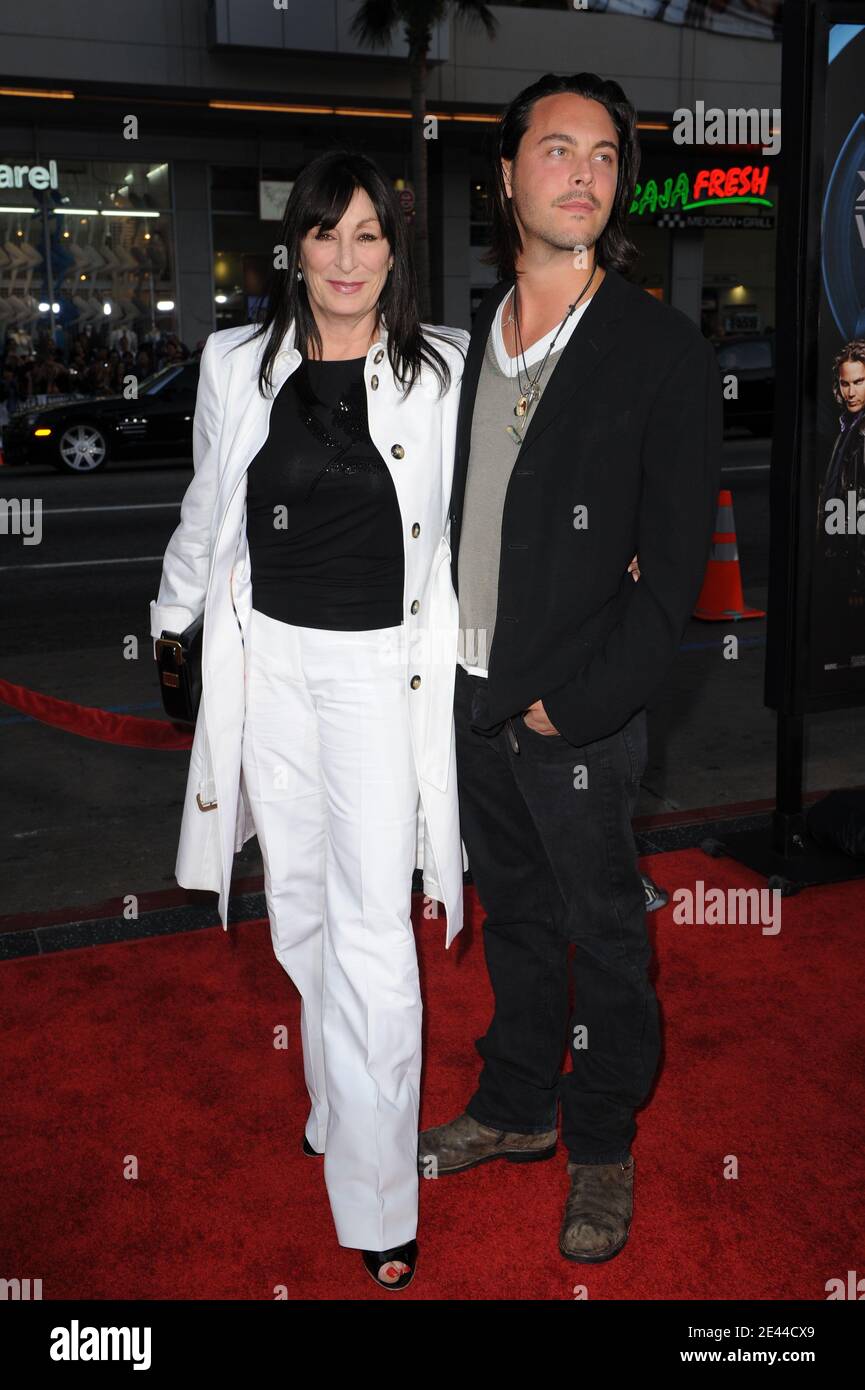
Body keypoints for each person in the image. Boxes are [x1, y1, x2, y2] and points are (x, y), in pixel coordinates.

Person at [419, 72, 723, 1263]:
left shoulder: (660, 351)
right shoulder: (459, 346)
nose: (585, 173)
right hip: (467, 695)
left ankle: (600, 1140)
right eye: (557, 149)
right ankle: (513, 1107)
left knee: (603, 931)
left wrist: (578, 705)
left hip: (575, 718)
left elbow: (676, 575)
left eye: (604, 155)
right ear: (505, 179)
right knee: (514, 922)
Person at [150, 150, 467, 1290]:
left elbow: (500, 501)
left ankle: (381, 1194)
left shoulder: (444, 374)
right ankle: (338, 1100)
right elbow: (206, 504)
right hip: (267, 667)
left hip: (380, 676)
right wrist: (172, 621)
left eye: (368, 234)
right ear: (295, 246)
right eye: (325, 233)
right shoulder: (235, 363)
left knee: (376, 928)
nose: (345, 257)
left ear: (396, 251)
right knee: (298, 912)